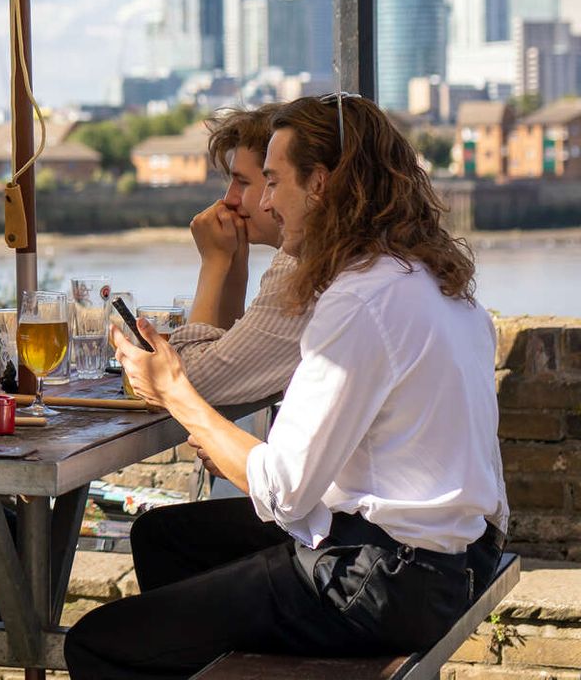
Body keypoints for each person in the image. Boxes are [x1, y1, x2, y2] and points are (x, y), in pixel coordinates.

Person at [63, 94, 508, 679]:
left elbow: (286, 490)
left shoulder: (357, 299)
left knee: (96, 643)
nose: (265, 202)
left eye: (273, 182)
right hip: (461, 554)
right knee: (168, 539)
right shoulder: (427, 277)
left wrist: (175, 391)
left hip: (386, 579)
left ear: (320, 185)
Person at [165, 104, 307, 404]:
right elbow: (236, 364)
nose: (228, 199)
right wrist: (234, 268)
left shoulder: (305, 269)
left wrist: (213, 264)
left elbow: (194, 383)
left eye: (243, 182)